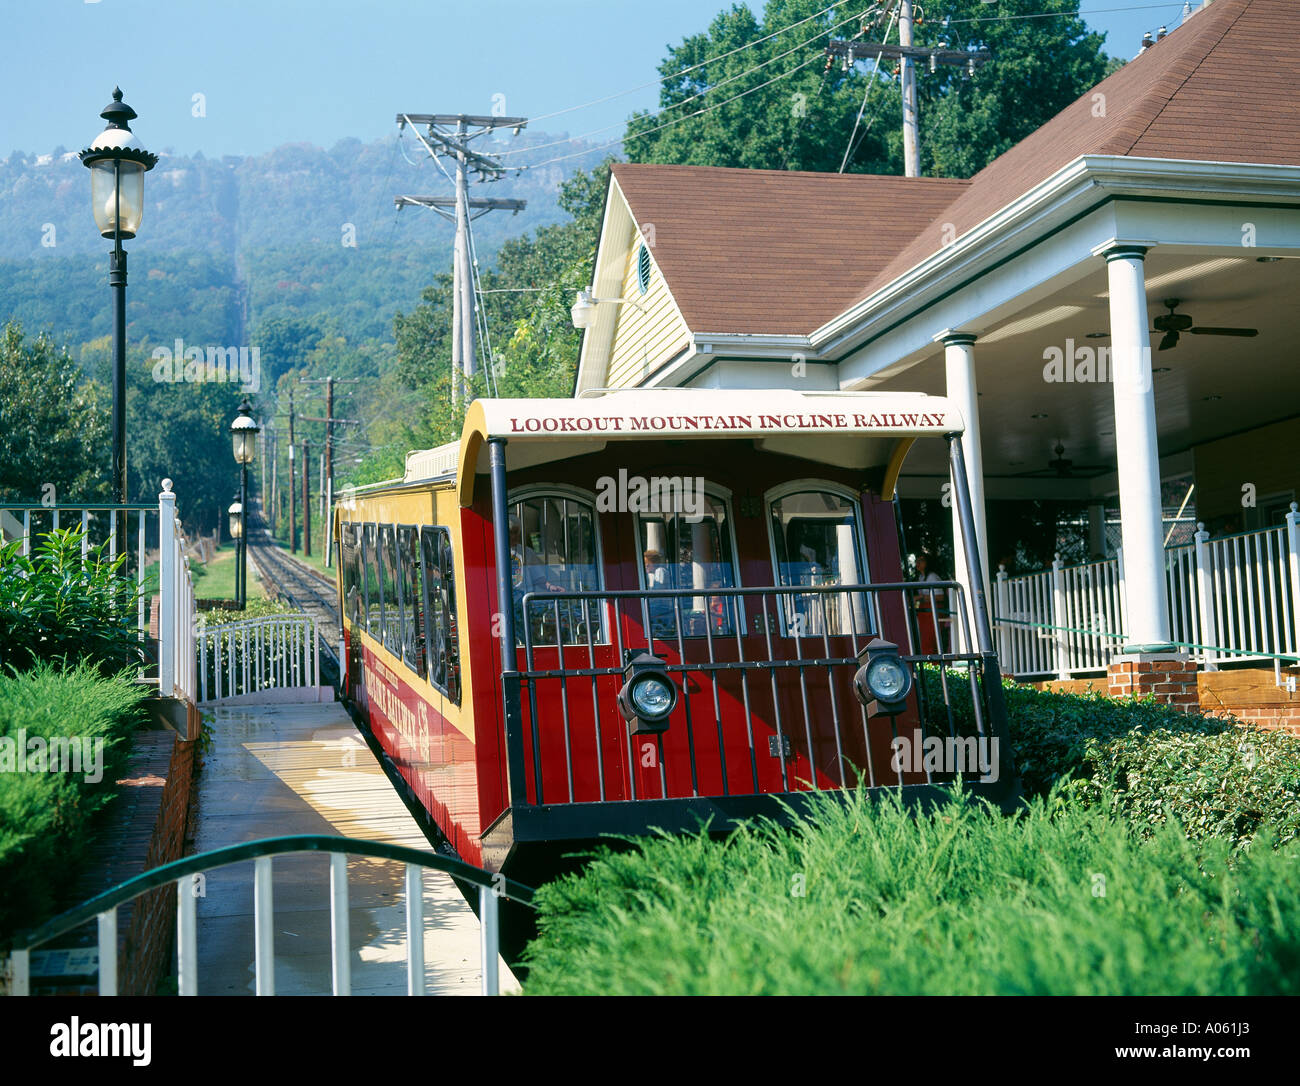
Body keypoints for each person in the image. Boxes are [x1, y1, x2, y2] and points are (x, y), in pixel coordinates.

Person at [914, 553, 945, 655]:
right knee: (925, 640)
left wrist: (921, 597)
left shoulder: (932, 576)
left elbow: (940, 597)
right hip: (924, 614)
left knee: (930, 640)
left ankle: (933, 664)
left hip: (933, 612)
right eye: (916, 560)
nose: (917, 563)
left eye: (921, 560)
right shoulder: (921, 577)